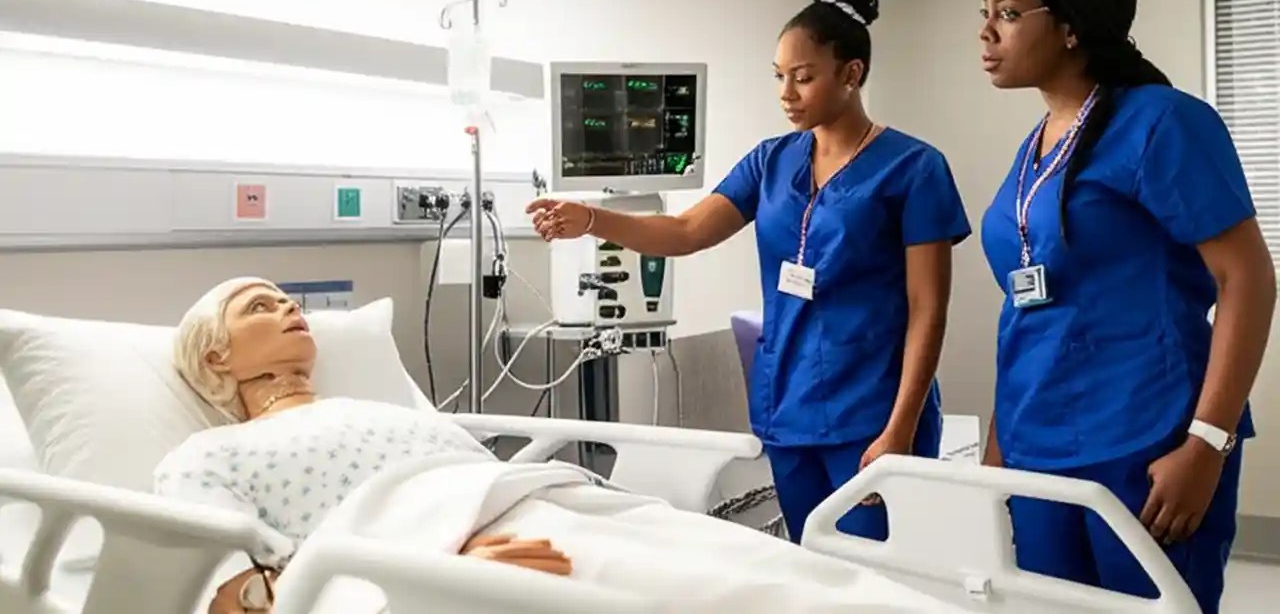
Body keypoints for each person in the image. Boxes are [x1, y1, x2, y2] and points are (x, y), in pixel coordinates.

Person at [155, 277, 953, 614]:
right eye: (261, 306)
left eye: (289, 299)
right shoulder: (205, 458)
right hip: (469, 552)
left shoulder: (388, 410)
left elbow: (477, 473)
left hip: (559, 503)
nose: (290, 307)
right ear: (216, 357)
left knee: (779, 570)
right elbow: (237, 601)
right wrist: (427, 579)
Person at [526, 0, 971, 543]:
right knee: (809, 561)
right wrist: (592, 219)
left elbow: (927, 308)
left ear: (852, 73)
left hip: (873, 412)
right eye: (779, 77)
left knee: (878, 576)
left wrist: (901, 426)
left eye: (804, 77)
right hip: (788, 408)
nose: (786, 92)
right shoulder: (771, 161)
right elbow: (687, 230)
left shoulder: (913, 168)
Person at [976, 0, 1275, 614]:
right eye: (984, 12)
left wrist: (1206, 442)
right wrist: (999, 445)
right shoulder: (1035, 148)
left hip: (1149, 442)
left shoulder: (1162, 123)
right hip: (1036, 446)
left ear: (1073, 24)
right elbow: (1025, 306)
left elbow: (1248, 280)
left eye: (1008, 13)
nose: (986, 32)